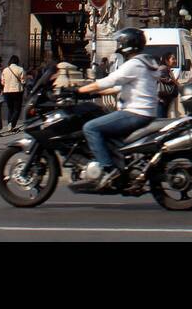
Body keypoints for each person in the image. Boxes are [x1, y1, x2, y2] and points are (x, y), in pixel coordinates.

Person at [76, 28, 160, 191]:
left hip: (134, 112)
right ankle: (119, 163)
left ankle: (108, 169)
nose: (118, 45)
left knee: (91, 127)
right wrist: (95, 92)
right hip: (145, 112)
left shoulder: (134, 64)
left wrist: (79, 90)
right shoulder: (146, 62)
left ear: (127, 45)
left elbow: (109, 81)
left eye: (120, 42)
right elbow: (119, 88)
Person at [1, 55, 26, 131]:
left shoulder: (5, 70)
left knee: (10, 109)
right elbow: (23, 81)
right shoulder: (20, 69)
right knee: (17, 109)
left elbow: (2, 82)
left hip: (7, 91)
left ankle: (9, 124)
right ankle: (12, 123)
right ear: (17, 61)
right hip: (17, 91)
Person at [158, 53, 181, 118]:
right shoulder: (163, 68)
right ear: (166, 60)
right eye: (173, 59)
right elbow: (161, 76)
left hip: (166, 99)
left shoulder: (168, 69)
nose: (175, 61)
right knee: (162, 119)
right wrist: (174, 81)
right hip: (161, 99)